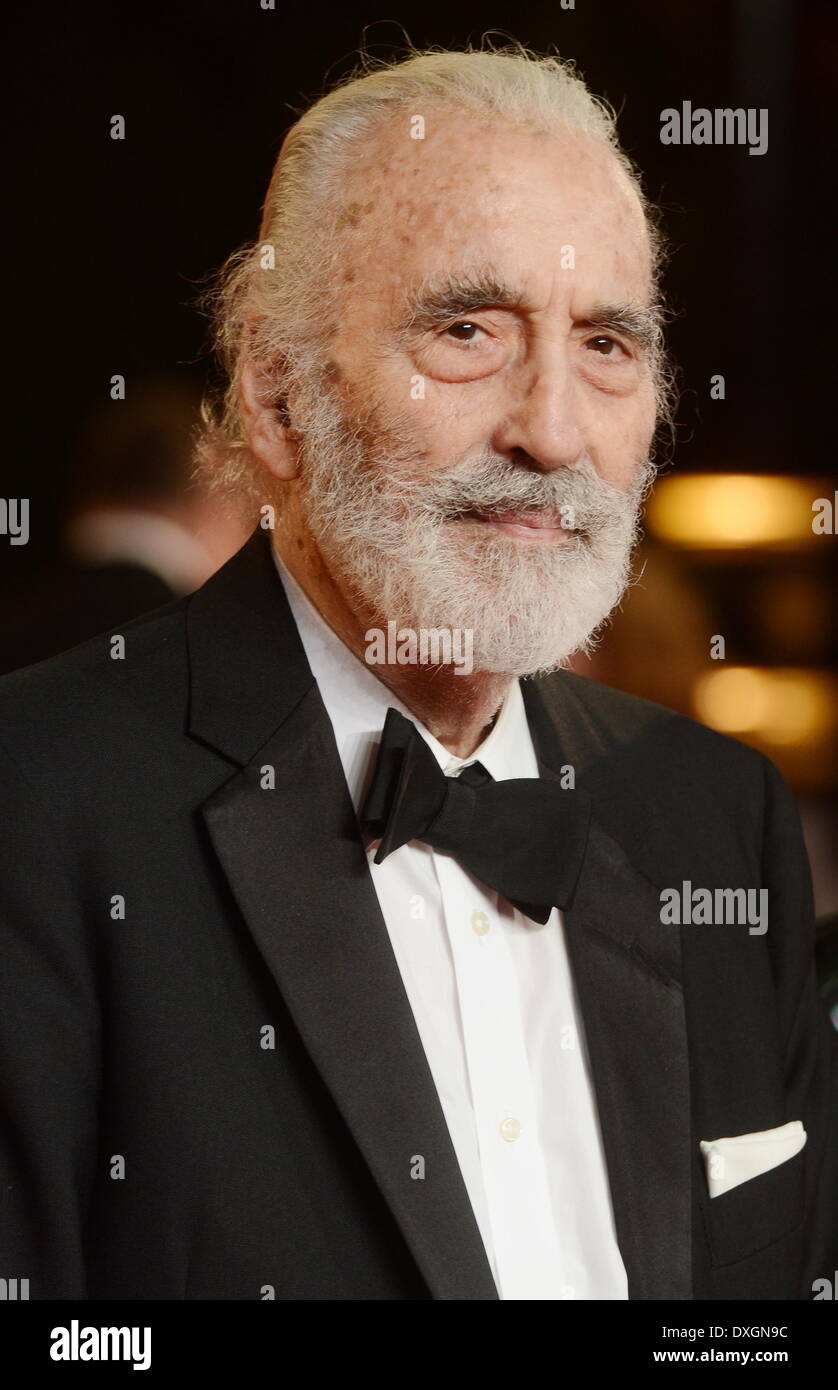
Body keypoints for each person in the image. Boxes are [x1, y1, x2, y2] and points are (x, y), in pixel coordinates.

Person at [1, 44, 835, 1302]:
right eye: (466, 331)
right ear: (277, 395)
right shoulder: (37, 803)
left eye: (606, 343)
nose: (553, 431)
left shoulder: (718, 819)